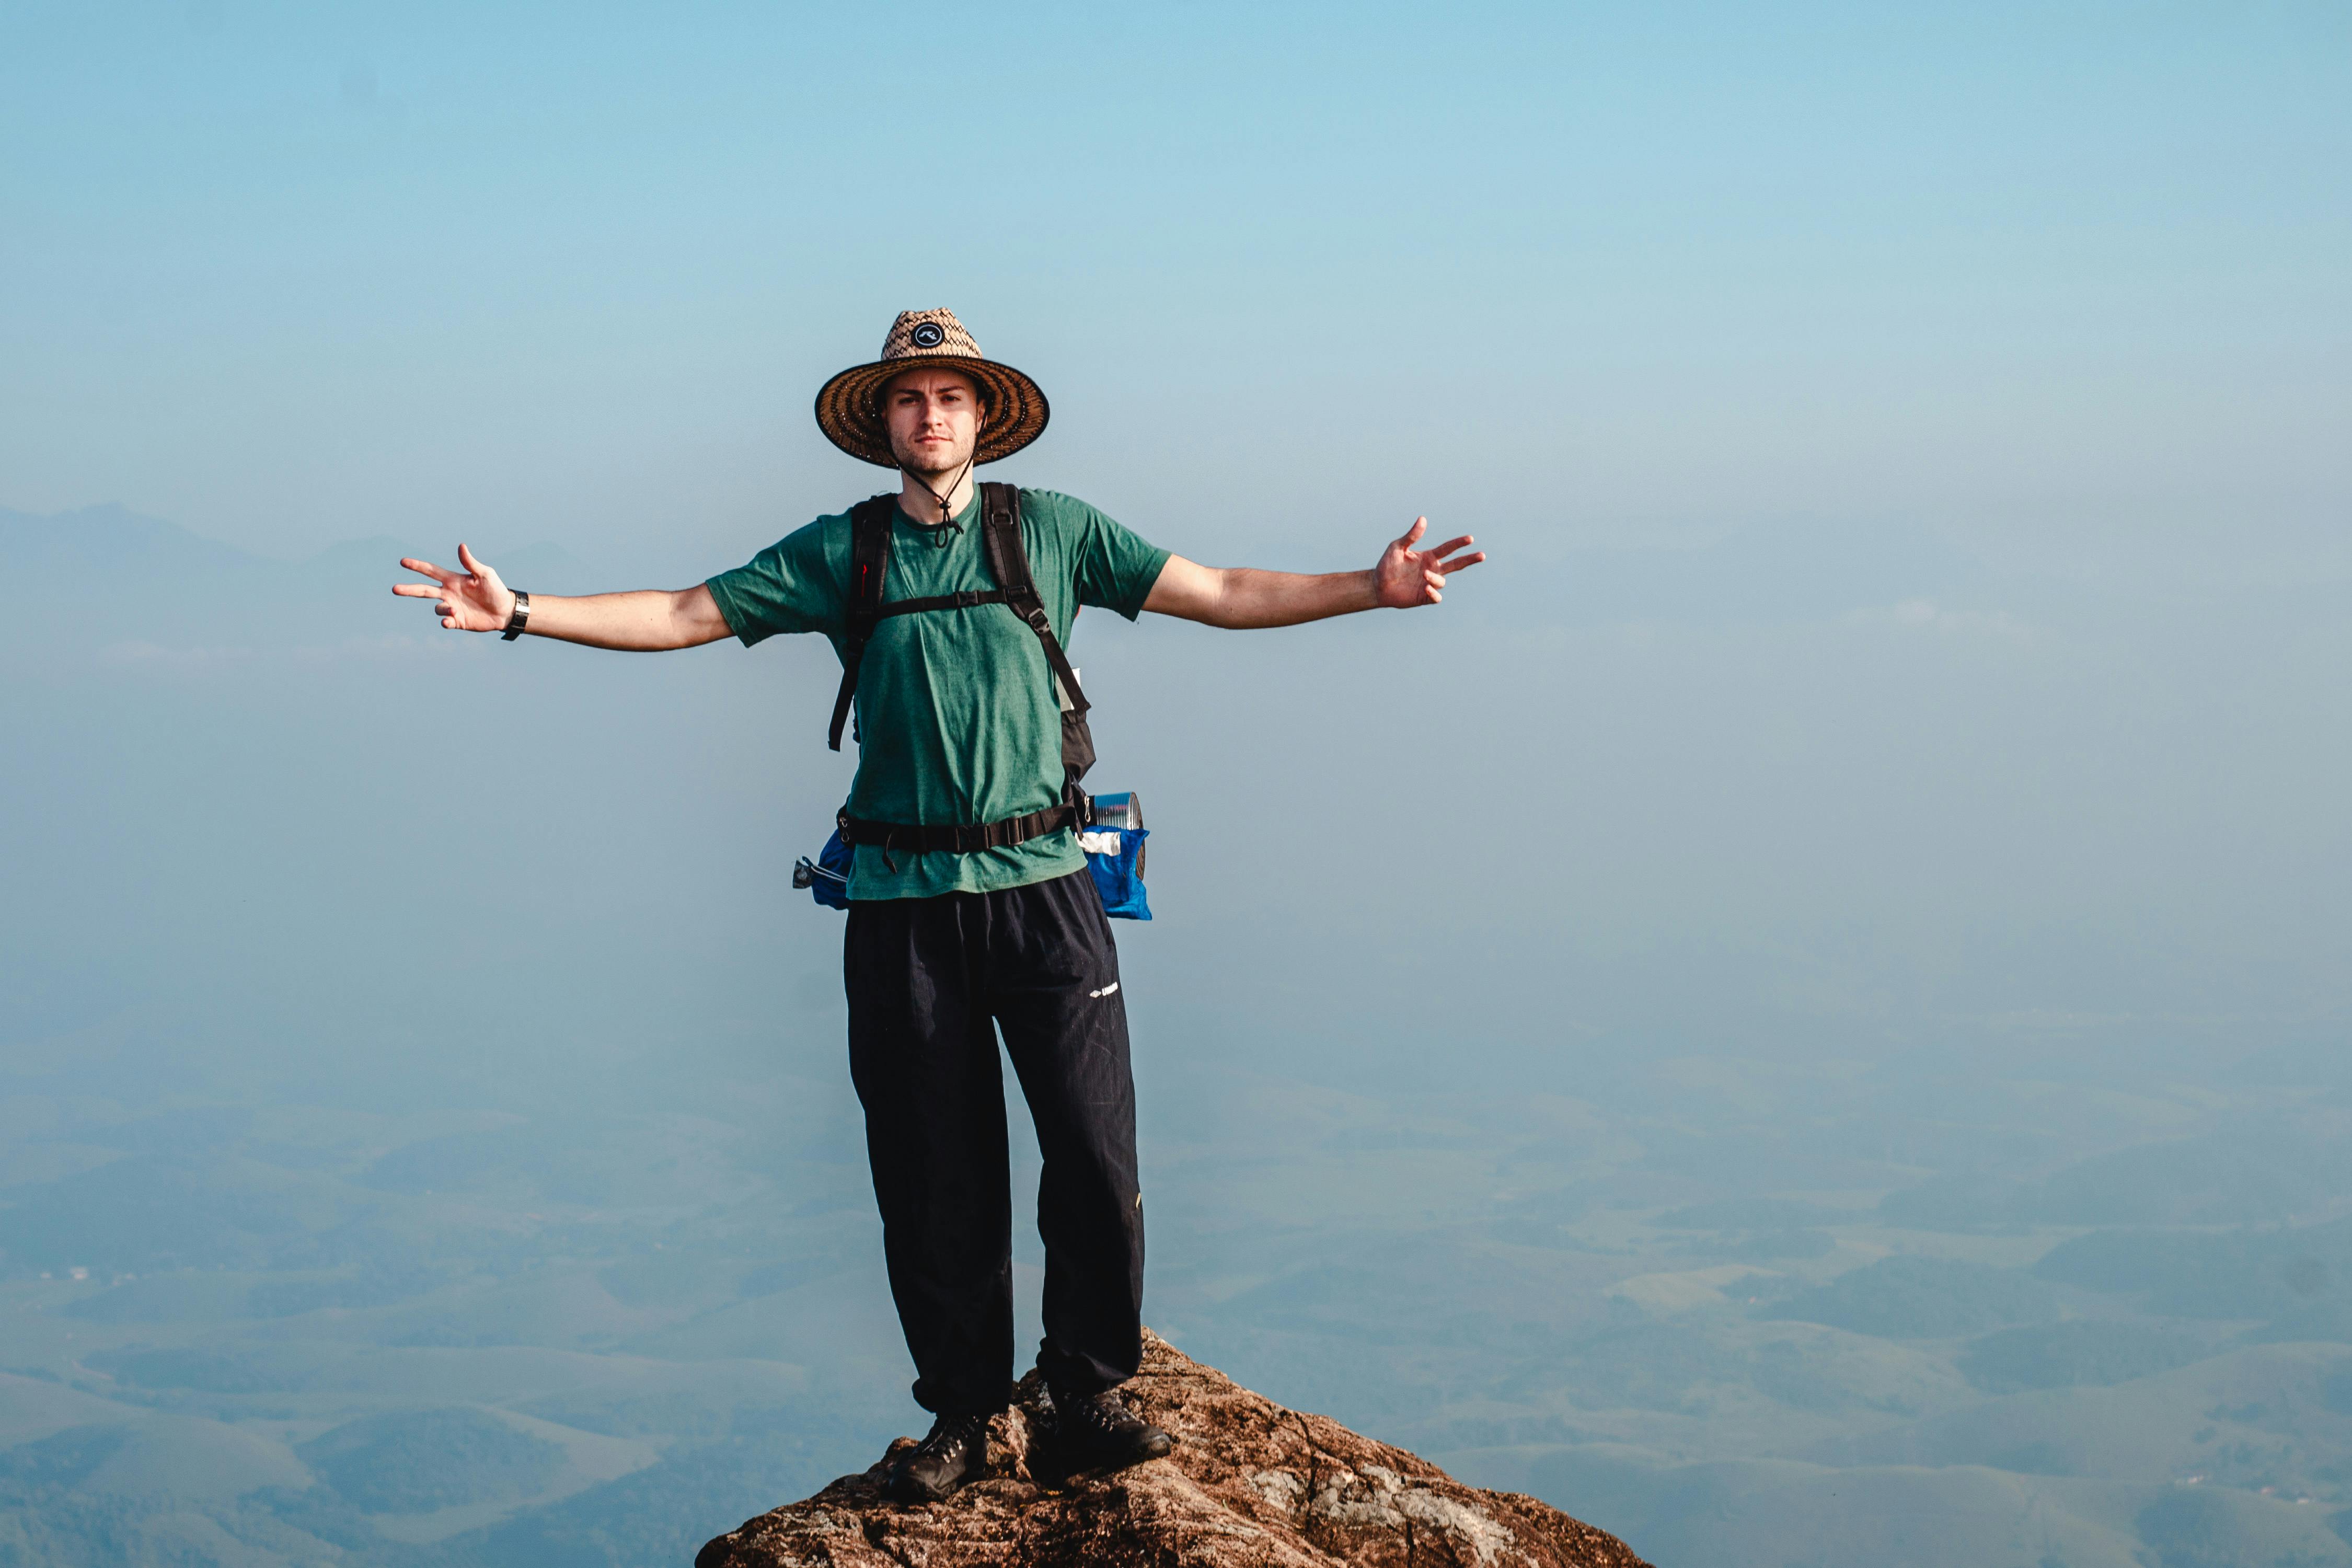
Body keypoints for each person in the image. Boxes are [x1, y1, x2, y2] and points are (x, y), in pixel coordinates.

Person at [393, 309, 1484, 1501]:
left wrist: (1369, 591)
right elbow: (687, 614)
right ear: (885, 424)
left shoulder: (1050, 532)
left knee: (1091, 1150)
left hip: (1048, 889)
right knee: (931, 1174)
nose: (930, 416)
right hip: (902, 905)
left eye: (950, 397)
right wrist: (520, 611)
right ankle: (964, 1413)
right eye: (910, 399)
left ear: (981, 417)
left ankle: (1083, 1393)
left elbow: (1216, 588)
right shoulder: (846, 552)